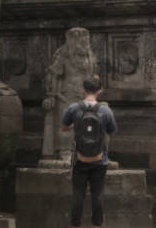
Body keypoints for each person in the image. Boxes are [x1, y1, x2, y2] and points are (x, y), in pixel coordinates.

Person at [60, 78, 117, 228]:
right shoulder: (106, 110)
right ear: (100, 91)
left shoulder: (73, 108)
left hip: (80, 158)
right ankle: (97, 225)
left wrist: (75, 126)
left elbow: (63, 128)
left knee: (78, 194)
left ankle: (75, 225)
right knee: (97, 194)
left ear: (83, 90)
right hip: (100, 159)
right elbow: (112, 132)